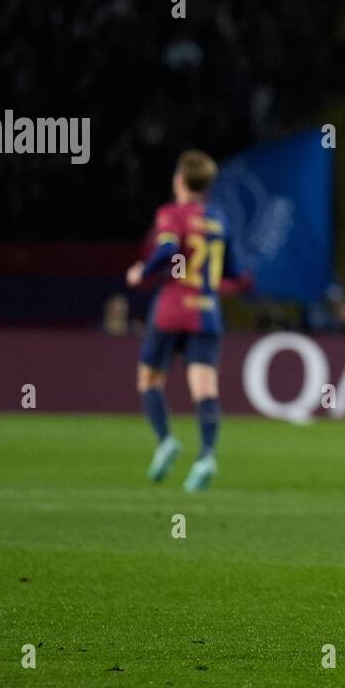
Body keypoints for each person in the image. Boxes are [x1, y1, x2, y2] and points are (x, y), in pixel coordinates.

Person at [126, 150, 245, 492]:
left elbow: (165, 250)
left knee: (149, 380)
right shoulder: (219, 220)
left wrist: (142, 273)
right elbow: (236, 272)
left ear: (179, 179)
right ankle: (206, 456)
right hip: (206, 312)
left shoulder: (171, 214)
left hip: (172, 308)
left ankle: (165, 441)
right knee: (205, 390)